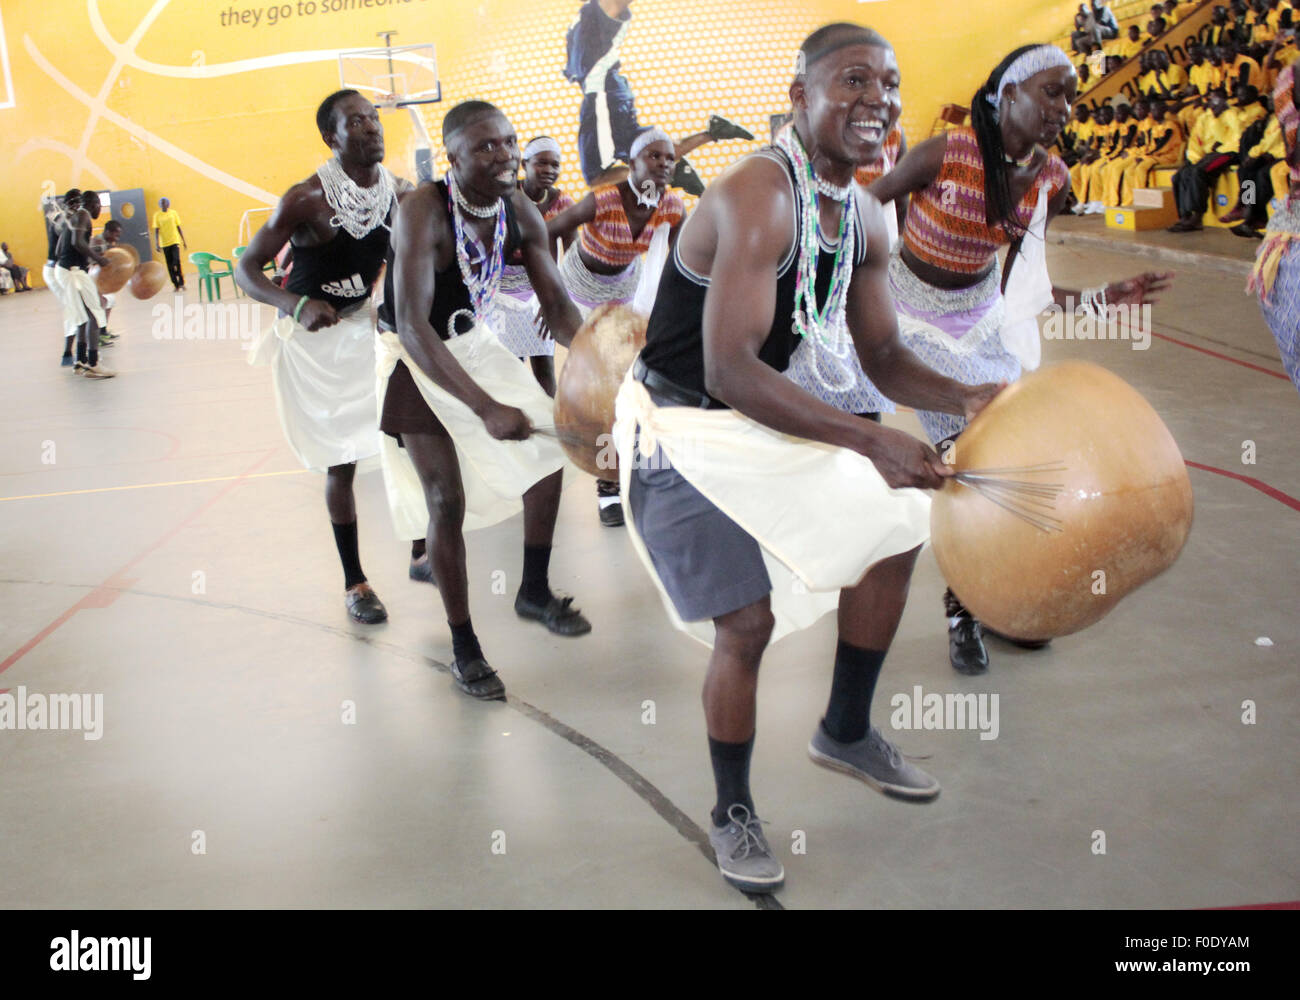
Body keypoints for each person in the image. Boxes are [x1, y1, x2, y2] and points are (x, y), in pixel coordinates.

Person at [615, 23, 1008, 895]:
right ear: (801, 98)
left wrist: (971, 397)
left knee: (899, 526)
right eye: (853, 81)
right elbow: (726, 368)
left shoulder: (863, 211)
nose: (878, 99)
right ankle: (732, 810)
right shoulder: (760, 194)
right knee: (745, 625)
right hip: (686, 430)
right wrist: (872, 438)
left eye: (890, 83)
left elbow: (881, 358)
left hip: (766, 415)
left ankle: (845, 728)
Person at [869, 44, 1171, 674]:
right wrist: (880, 266)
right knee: (968, 457)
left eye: (1071, 97)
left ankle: (1004, 593)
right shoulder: (946, 153)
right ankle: (965, 608)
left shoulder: (1053, 179)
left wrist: (1098, 300)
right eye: (1051, 92)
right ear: (1008, 94)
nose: (1063, 108)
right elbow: (869, 203)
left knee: (1015, 454)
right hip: (912, 320)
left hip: (981, 321)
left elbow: (1023, 288)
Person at [378, 100, 592, 702]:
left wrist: (605, 361)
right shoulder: (422, 210)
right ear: (453, 157)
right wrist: (485, 408)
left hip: (472, 341)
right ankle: (464, 645)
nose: (504, 156)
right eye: (485, 147)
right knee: (445, 499)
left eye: (508, 142)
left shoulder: (518, 207)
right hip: (410, 354)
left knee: (551, 459)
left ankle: (533, 590)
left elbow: (557, 308)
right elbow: (416, 327)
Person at [236, 89, 407, 625]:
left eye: (374, 119)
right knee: (343, 464)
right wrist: (295, 303)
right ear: (330, 137)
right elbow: (247, 269)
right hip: (315, 348)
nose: (372, 128)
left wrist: (391, 306)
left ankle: (423, 548)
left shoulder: (397, 192)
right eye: (356, 122)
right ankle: (355, 581)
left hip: (364, 331)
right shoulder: (306, 199)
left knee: (412, 431)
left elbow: (403, 257)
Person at [547, 125, 686, 526]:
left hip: (627, 288)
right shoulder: (604, 200)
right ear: (632, 162)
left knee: (630, 378)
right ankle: (606, 486)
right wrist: (548, 294)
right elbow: (548, 233)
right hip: (580, 288)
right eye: (654, 156)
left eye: (669, 158)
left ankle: (636, 467)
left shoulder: (671, 207)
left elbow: (681, 261)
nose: (663, 164)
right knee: (596, 384)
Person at [563, 0, 754, 194]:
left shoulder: (600, 9)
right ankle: (713, 132)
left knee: (596, 175)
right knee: (647, 152)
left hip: (603, 94)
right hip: (610, 92)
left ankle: (672, 172)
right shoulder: (585, 14)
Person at [490, 136, 576, 398]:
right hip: (502, 290)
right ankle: (517, 427)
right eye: (541, 163)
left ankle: (551, 428)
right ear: (525, 164)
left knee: (545, 369)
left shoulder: (563, 204)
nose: (549, 170)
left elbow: (572, 257)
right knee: (511, 367)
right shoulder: (503, 197)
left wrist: (555, 305)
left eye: (555, 164)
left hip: (540, 290)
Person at [1247, 51, 1299, 391]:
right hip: (1276, 168)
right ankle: (1248, 210)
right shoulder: (1286, 84)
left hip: (1283, 174)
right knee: (1250, 173)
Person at [54, 189, 116, 379]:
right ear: (94, 203)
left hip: (65, 270)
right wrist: (99, 258)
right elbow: (78, 243)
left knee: (82, 318)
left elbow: (59, 250)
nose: (100, 209)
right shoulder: (84, 215)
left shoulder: (74, 217)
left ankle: (80, 361)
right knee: (96, 314)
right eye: (100, 205)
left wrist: (84, 259)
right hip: (73, 272)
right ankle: (94, 364)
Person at [1168, 87, 1244, 230]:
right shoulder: (1205, 117)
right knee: (1180, 175)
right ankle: (1185, 215)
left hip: (1230, 152)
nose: (1215, 103)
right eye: (1212, 99)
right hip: (1211, 154)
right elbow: (1196, 140)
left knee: (1199, 172)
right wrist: (1195, 157)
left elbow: (1237, 138)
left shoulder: (1233, 114)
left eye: (1218, 99)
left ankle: (1198, 216)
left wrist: (1217, 121)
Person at [42, 197, 79, 366]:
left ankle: (79, 349)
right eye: (75, 203)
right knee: (72, 307)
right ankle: (68, 354)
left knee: (77, 306)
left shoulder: (69, 220)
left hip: (60, 269)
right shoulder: (61, 220)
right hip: (55, 271)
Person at [153, 197, 187, 291]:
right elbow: (156, 230)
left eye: (165, 203)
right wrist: (157, 244)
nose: (163, 205)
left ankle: (181, 283)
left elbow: (178, 227)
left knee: (176, 261)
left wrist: (183, 241)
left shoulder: (173, 213)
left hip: (174, 241)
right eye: (161, 203)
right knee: (170, 264)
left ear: (168, 204)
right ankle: (175, 285)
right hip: (165, 243)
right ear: (160, 205)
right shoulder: (157, 215)